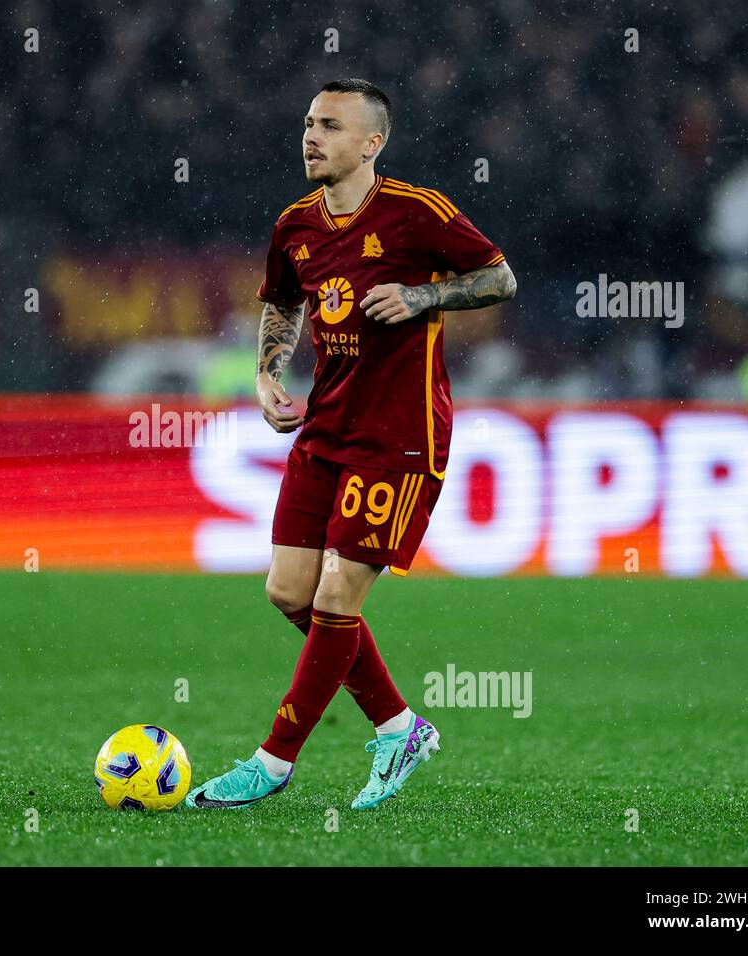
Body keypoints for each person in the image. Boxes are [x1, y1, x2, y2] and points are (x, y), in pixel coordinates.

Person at [186, 79, 516, 811]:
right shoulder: (296, 222)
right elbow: (283, 299)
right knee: (287, 591)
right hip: (324, 429)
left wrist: (424, 297)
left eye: (330, 126)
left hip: (398, 438)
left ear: (372, 144)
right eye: (308, 122)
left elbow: (499, 275)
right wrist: (268, 373)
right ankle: (400, 727)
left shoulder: (415, 212)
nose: (311, 136)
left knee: (338, 596)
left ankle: (271, 762)